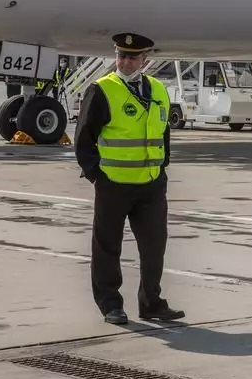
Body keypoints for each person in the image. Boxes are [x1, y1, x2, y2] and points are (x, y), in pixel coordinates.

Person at [74, 32, 185, 325]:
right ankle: (111, 304)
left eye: (132, 57)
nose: (125, 61)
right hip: (114, 184)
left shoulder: (159, 89)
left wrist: (162, 169)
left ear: (144, 60)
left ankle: (151, 303)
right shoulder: (102, 90)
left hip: (150, 186)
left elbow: (163, 134)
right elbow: (83, 138)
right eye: (120, 55)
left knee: (154, 247)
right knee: (107, 247)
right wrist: (96, 175)